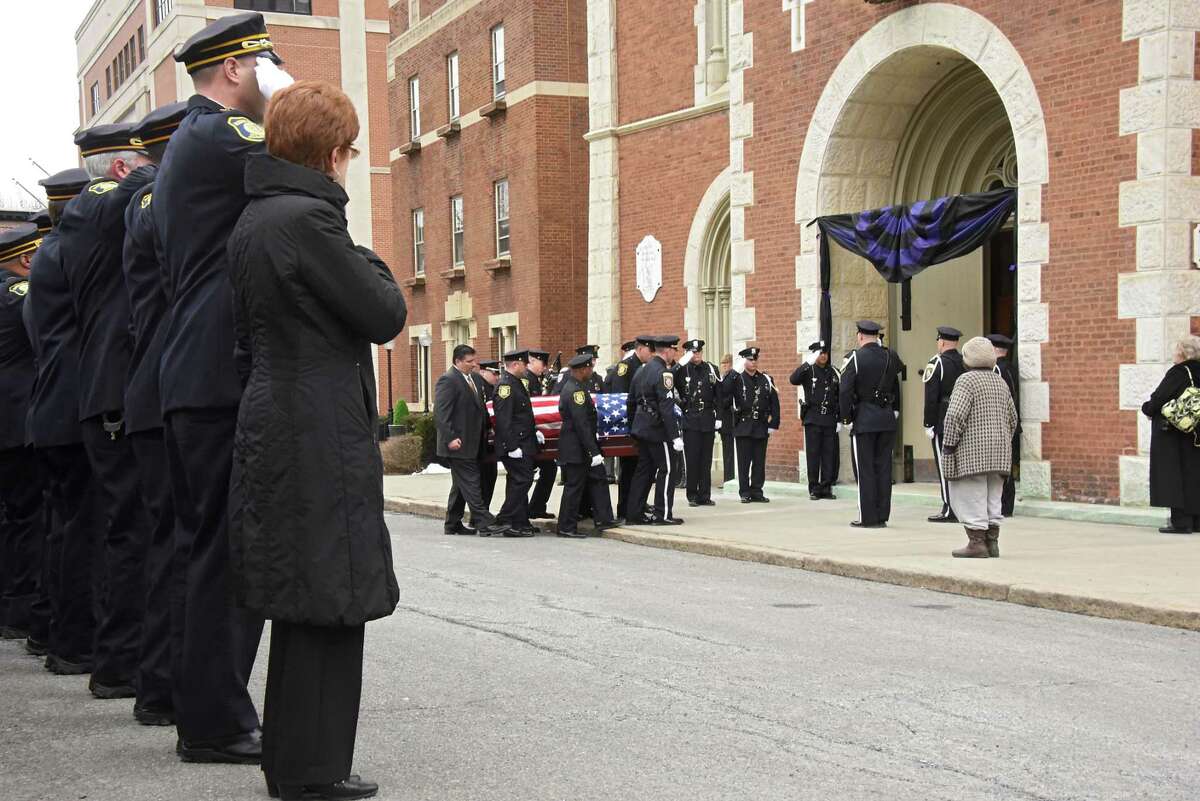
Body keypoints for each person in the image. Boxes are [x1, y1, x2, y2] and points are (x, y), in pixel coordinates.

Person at [225, 80, 404, 801]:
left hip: (274, 415)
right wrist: (374, 262)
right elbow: (383, 311)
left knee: (302, 594)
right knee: (332, 593)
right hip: (318, 426)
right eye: (350, 150)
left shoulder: (254, 220)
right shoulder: (310, 222)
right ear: (332, 152)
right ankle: (313, 768)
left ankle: (295, 760)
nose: (350, 163)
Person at [154, 11, 289, 763]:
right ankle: (214, 720)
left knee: (207, 548)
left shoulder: (192, 142)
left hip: (194, 370)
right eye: (268, 66)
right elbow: (305, 161)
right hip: (215, 373)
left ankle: (204, 707)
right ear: (236, 69)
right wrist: (294, 98)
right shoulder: (220, 134)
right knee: (229, 552)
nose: (276, 80)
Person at [57, 122, 155, 700]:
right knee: (130, 532)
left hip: (107, 389)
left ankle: (115, 657)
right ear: (120, 169)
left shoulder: (92, 212)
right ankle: (118, 663)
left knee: (121, 529)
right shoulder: (98, 206)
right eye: (144, 158)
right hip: (114, 391)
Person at [121, 101, 189, 726]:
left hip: (148, 389)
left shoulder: (146, 199)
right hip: (164, 390)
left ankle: (158, 684)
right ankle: (163, 689)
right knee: (175, 548)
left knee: (164, 545)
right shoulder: (156, 199)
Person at [25, 168, 99, 674]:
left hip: (49, 408)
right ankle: (74, 643)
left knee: (62, 529)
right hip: (73, 409)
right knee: (84, 532)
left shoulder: (47, 256)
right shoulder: (72, 253)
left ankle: (52, 631)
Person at [0, 225, 44, 645]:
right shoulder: (19, 295)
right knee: (29, 518)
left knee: (14, 517)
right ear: (27, 260)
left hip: (6, 420)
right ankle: (20, 607)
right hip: (17, 419)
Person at [941, 337, 1020, 558]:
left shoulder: (966, 381)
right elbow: (1012, 418)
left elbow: (955, 415)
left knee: (970, 495)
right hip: (999, 452)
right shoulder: (999, 382)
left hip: (972, 452)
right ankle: (992, 542)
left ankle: (976, 543)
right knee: (993, 497)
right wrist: (1002, 440)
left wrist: (949, 444)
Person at [437, 345, 508, 537]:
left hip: (473, 441)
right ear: (457, 361)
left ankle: (452, 523)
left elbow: (479, 408)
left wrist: (489, 427)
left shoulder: (473, 379)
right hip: (458, 443)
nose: (473, 364)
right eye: (469, 361)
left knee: (460, 485)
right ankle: (484, 521)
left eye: (474, 360)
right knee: (471, 481)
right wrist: (450, 438)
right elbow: (442, 414)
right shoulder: (448, 380)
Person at [840, 320, 903, 528]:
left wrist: (847, 418)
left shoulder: (855, 358)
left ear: (860, 336)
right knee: (883, 469)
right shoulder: (889, 355)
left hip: (865, 419)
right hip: (886, 419)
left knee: (865, 469)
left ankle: (867, 517)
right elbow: (896, 377)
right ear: (877, 336)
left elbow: (845, 390)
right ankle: (882, 515)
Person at [1142, 335, 1200, 534]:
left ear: (1183, 352)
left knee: (1173, 474)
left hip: (1173, 433)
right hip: (1195, 433)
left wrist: (1147, 409)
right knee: (1194, 474)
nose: (1174, 353)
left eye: (1176, 349)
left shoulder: (1178, 372)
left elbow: (1159, 398)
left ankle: (1181, 522)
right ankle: (1197, 521)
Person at [555, 354, 617, 538]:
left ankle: (604, 518)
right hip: (577, 448)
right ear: (582, 369)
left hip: (581, 447)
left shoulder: (577, 387)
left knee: (598, 480)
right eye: (589, 368)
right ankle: (566, 527)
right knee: (573, 488)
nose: (591, 371)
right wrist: (593, 451)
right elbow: (581, 424)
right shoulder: (575, 392)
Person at [627, 335, 684, 525]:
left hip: (642, 428)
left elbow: (631, 402)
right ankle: (663, 514)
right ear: (667, 351)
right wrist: (675, 436)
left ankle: (634, 513)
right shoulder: (663, 373)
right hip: (658, 430)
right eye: (674, 350)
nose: (675, 354)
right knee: (667, 470)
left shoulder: (642, 370)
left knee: (643, 471)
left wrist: (632, 428)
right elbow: (666, 407)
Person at [723, 347, 780, 504]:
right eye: (749, 359)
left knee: (759, 462)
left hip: (760, 425)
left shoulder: (765, 379)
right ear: (744, 361)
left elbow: (774, 402)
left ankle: (757, 491)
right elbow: (724, 391)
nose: (753, 362)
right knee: (744, 462)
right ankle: (745, 492)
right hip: (743, 425)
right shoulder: (736, 379)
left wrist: (774, 423)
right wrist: (734, 371)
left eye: (755, 359)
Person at [493, 350, 539, 537]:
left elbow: (522, 415)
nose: (527, 367)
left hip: (523, 441)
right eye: (524, 364)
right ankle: (505, 518)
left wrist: (534, 433)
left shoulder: (516, 383)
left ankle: (519, 522)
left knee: (517, 481)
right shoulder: (506, 386)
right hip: (514, 444)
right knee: (523, 479)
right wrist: (512, 447)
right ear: (515, 365)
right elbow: (503, 420)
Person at [923, 326, 965, 523]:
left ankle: (950, 508)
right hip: (963, 419)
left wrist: (928, 423)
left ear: (941, 341)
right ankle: (962, 505)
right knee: (962, 465)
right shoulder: (966, 361)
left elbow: (931, 397)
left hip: (943, 419)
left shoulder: (937, 362)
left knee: (944, 464)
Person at [608, 336, 652, 520]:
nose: (652, 355)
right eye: (650, 351)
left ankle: (636, 504)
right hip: (629, 426)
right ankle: (625, 507)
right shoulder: (626, 367)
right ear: (640, 349)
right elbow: (621, 399)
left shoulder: (643, 367)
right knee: (628, 471)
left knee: (638, 469)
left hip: (641, 426)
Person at [790, 340, 840, 500]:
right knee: (813, 455)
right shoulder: (808, 370)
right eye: (820, 353)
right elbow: (793, 379)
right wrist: (807, 362)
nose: (823, 356)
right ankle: (814, 488)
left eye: (825, 353)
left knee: (828, 454)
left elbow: (839, 396)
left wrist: (839, 418)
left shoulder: (834, 372)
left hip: (830, 418)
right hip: (813, 418)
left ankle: (826, 487)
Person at [676, 339, 721, 507]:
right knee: (693, 459)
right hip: (691, 419)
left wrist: (719, 417)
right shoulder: (682, 370)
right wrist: (681, 363)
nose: (697, 355)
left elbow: (719, 394)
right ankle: (692, 495)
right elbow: (667, 381)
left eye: (699, 352)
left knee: (706, 459)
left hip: (708, 418)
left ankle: (705, 495)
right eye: (693, 352)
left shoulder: (711, 368)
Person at [987, 333, 1020, 516]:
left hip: (1003, 424)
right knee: (1007, 465)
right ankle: (1007, 506)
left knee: (1001, 466)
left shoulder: (997, 370)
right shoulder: (1010, 368)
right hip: (1011, 422)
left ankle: (1004, 506)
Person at [525, 348, 558, 520]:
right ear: (532, 361)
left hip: (537, 434)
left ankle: (536, 506)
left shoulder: (535, 380)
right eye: (542, 364)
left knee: (549, 468)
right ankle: (523, 511)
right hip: (528, 436)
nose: (544, 368)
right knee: (525, 475)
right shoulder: (526, 381)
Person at [476, 360, 501, 507]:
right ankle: (479, 514)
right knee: (483, 479)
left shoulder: (493, 388)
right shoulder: (479, 388)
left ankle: (484, 510)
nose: (497, 377)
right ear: (483, 372)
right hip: (481, 441)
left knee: (491, 476)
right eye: (494, 373)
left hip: (490, 442)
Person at [718, 353, 735, 483]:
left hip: (729, 420)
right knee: (727, 450)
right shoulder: (724, 377)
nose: (723, 366)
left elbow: (728, 398)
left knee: (729, 451)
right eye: (722, 364)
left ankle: (729, 478)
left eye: (725, 364)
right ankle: (727, 477)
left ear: (730, 364)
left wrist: (717, 404)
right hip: (725, 420)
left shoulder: (731, 378)